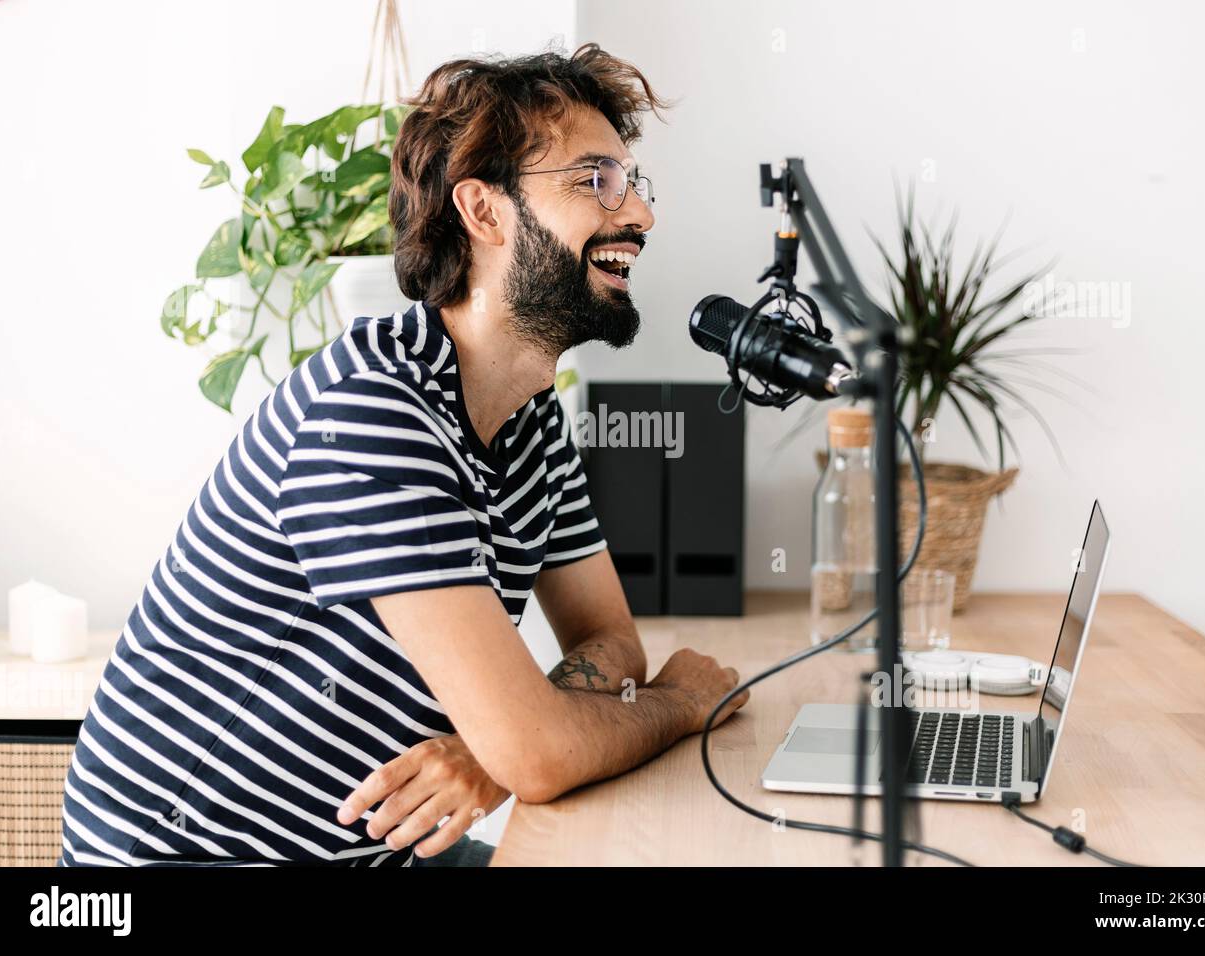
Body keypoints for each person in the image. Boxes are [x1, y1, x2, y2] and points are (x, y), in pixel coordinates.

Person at [60, 43, 749, 867]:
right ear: (484, 212)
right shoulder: (373, 410)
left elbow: (609, 642)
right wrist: (676, 703)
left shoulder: (530, 418)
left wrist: (491, 752)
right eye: (596, 180)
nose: (639, 214)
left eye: (633, 184)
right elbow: (552, 743)